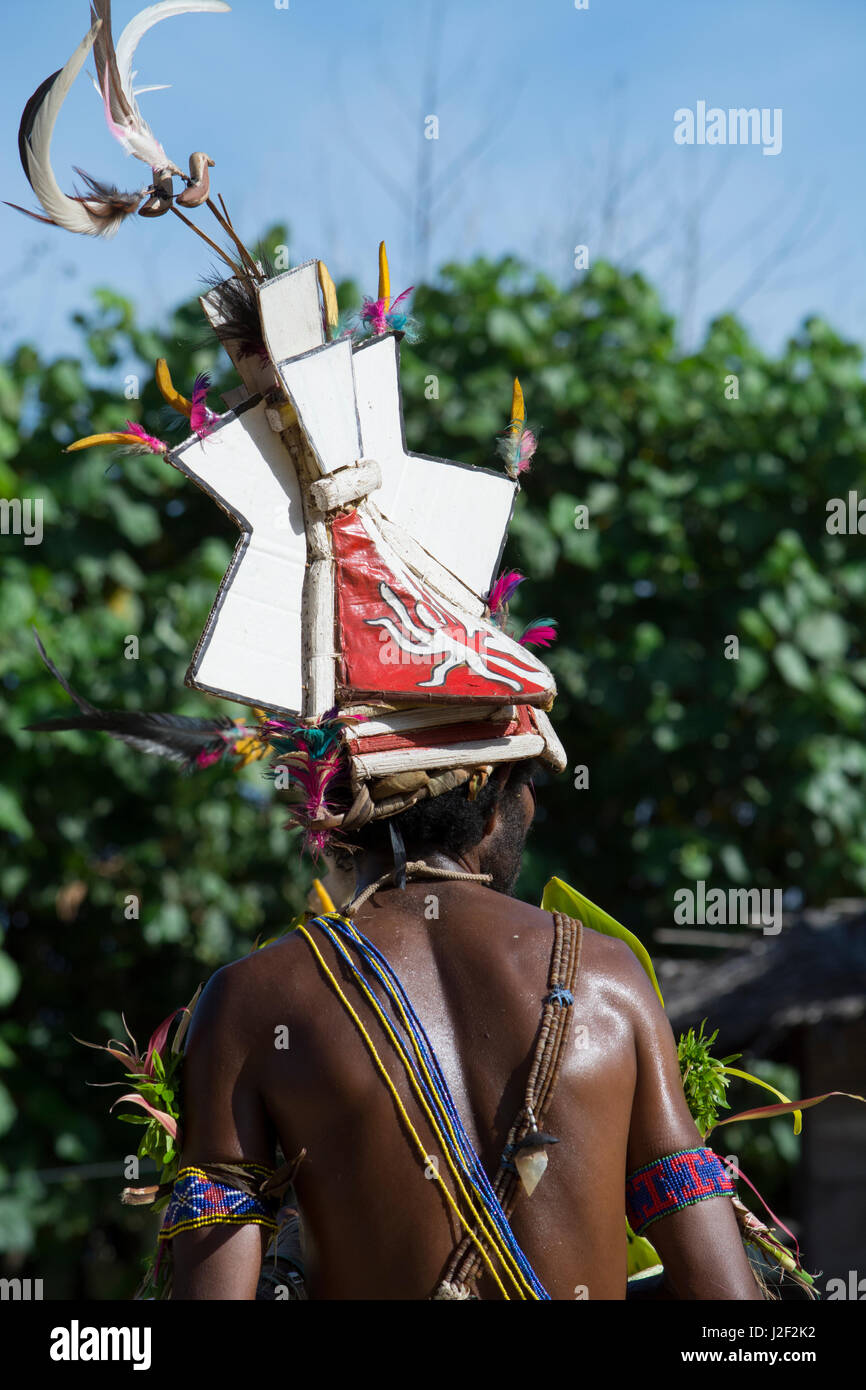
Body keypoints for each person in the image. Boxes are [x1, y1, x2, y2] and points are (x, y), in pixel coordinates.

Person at [168, 760, 761, 1300]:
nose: (532, 806)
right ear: (492, 793)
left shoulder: (252, 997)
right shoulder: (609, 978)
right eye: (528, 785)